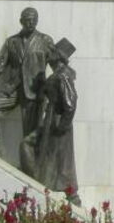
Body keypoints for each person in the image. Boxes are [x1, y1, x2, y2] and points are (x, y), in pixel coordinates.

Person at [0, 7, 55, 154]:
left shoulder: (45, 40)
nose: (31, 23)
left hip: (34, 90)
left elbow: (56, 62)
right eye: (28, 19)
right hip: (13, 88)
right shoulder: (12, 42)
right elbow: (0, 64)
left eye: (34, 19)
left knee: (30, 133)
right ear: (21, 21)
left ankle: (31, 165)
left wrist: (58, 82)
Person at [23, 38, 81, 204]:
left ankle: (72, 195)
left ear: (59, 57)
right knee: (49, 156)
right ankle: (42, 184)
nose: (49, 55)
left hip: (57, 121)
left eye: (53, 53)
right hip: (51, 119)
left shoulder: (62, 76)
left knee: (62, 160)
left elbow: (70, 102)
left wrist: (61, 126)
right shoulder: (58, 74)